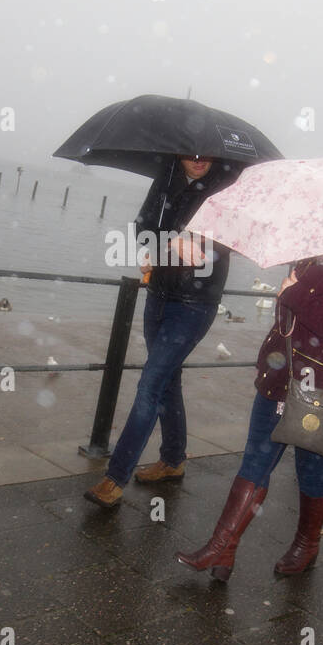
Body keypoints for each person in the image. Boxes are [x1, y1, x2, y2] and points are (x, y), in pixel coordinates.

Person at [175, 247, 323, 581]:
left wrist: (294, 293)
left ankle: (307, 543)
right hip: (280, 379)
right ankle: (221, 547)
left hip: (321, 389)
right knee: (254, 463)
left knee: (311, 470)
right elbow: (292, 320)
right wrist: (287, 297)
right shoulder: (310, 260)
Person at [84, 154, 236, 507]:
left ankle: (115, 477)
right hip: (159, 294)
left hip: (195, 304)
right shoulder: (166, 178)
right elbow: (143, 228)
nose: (198, 161)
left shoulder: (225, 189)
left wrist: (190, 247)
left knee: (150, 384)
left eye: (206, 154)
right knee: (168, 380)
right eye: (191, 153)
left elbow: (216, 250)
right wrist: (161, 248)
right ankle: (173, 460)